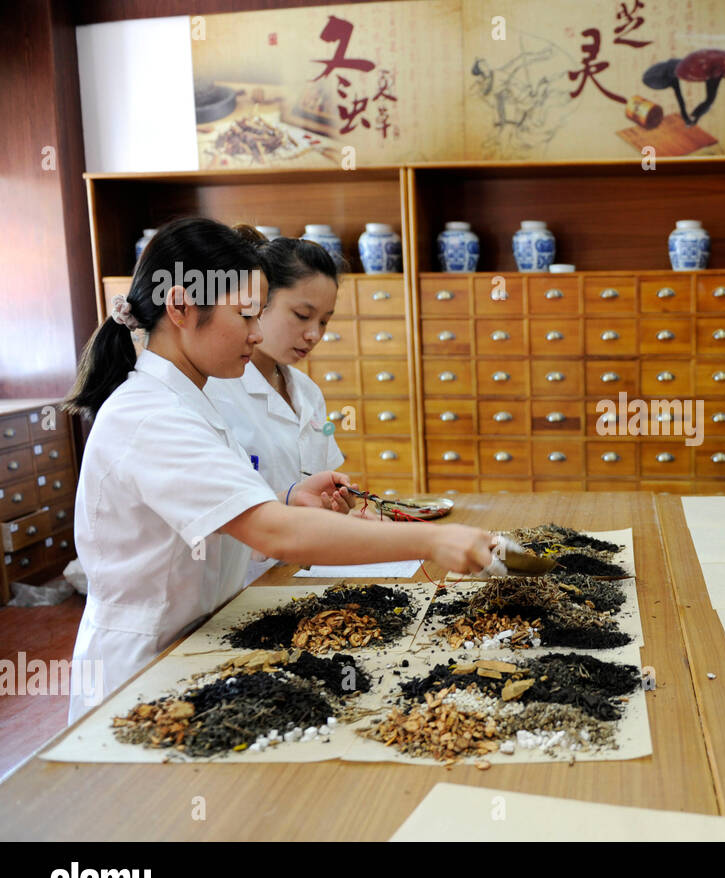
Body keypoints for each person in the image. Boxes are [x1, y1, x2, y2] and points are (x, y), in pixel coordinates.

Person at [62, 218, 494, 722]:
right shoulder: (149, 414)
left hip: (198, 638)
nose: (257, 332)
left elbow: (232, 508)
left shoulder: (188, 400)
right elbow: (272, 534)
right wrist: (430, 542)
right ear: (180, 306)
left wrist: (288, 498)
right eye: (246, 314)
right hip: (143, 665)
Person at [204, 227, 363, 585]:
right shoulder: (214, 392)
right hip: (238, 584)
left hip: (298, 572)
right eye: (302, 315)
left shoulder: (307, 392)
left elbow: (316, 487)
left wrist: (334, 504)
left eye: (324, 320)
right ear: (258, 302)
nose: (314, 334)